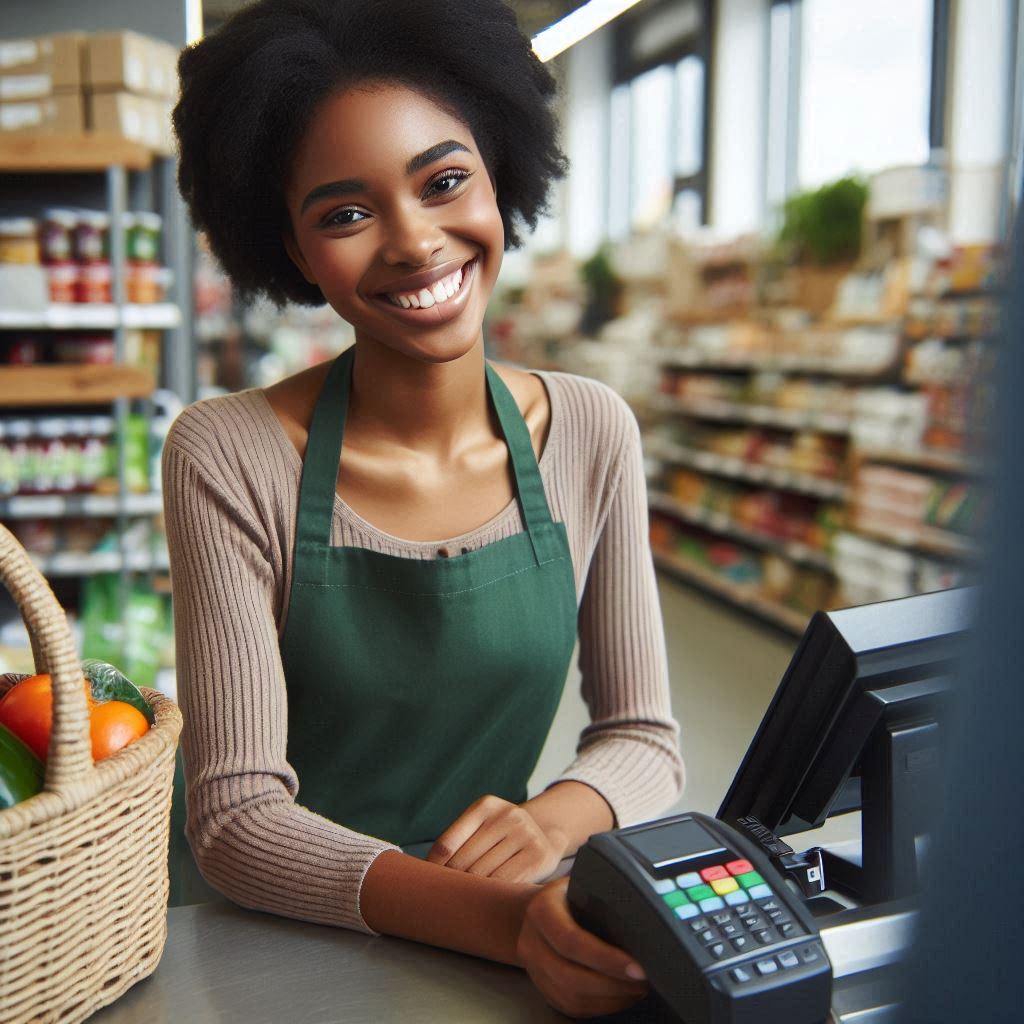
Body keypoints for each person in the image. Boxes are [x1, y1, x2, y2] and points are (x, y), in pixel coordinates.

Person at [166, 0, 683, 1016]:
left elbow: (644, 737)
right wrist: (506, 921)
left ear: (499, 174)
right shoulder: (229, 452)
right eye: (345, 213)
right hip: (271, 943)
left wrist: (552, 822)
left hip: (488, 935)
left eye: (445, 181)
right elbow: (233, 819)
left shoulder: (590, 430)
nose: (413, 242)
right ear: (295, 250)